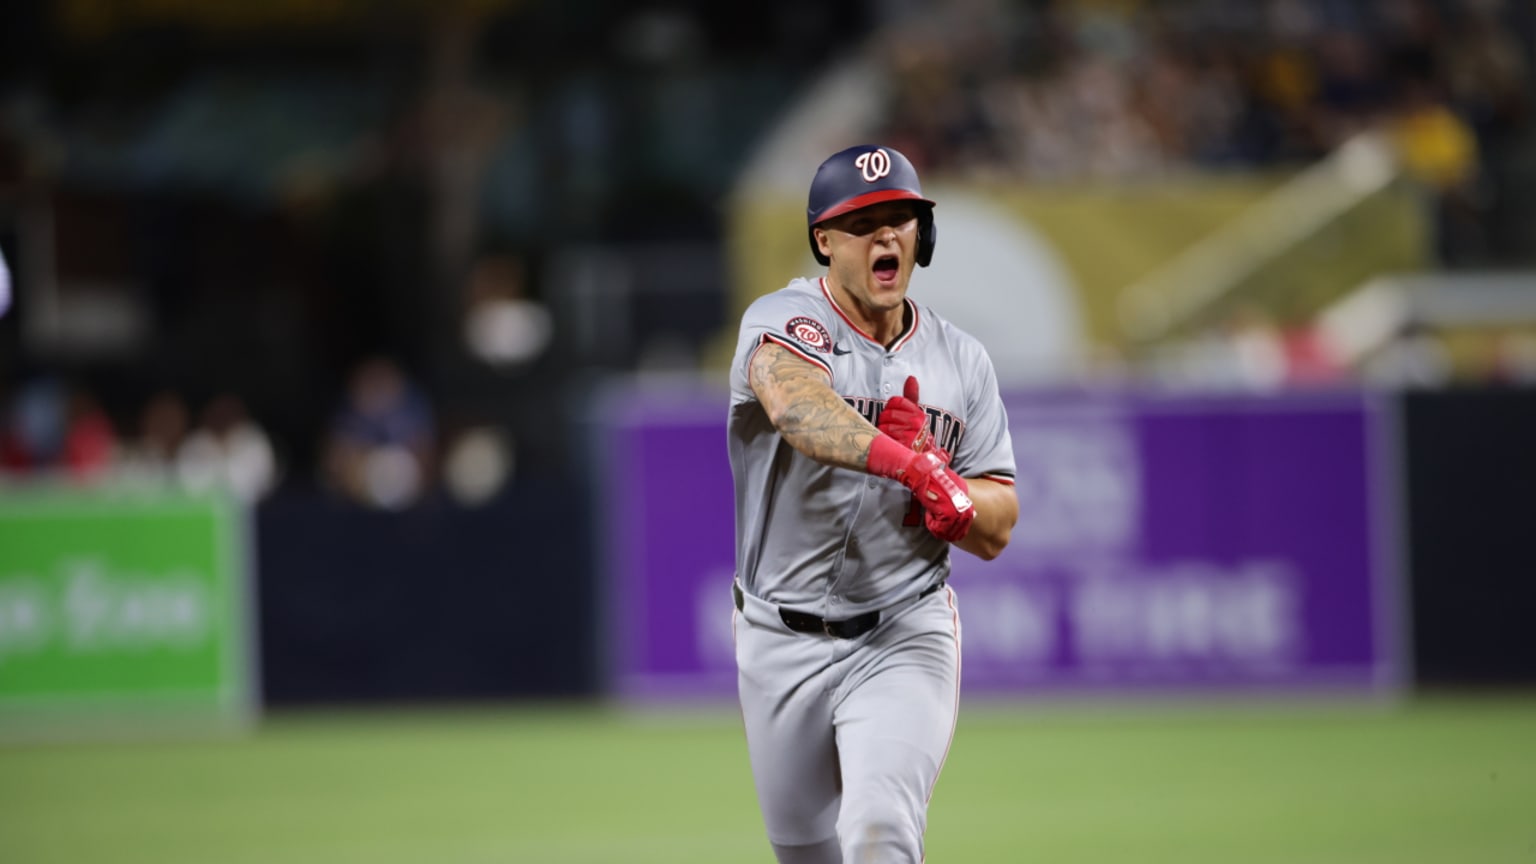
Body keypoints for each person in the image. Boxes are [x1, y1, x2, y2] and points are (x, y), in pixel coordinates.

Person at [726, 144, 1019, 864]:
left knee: (880, 831)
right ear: (824, 241)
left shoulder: (962, 361)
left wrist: (957, 499)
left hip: (902, 630)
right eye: (863, 222)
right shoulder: (782, 321)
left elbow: (998, 521)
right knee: (808, 854)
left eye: (901, 218)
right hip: (777, 637)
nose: (887, 235)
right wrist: (912, 466)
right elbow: (799, 411)